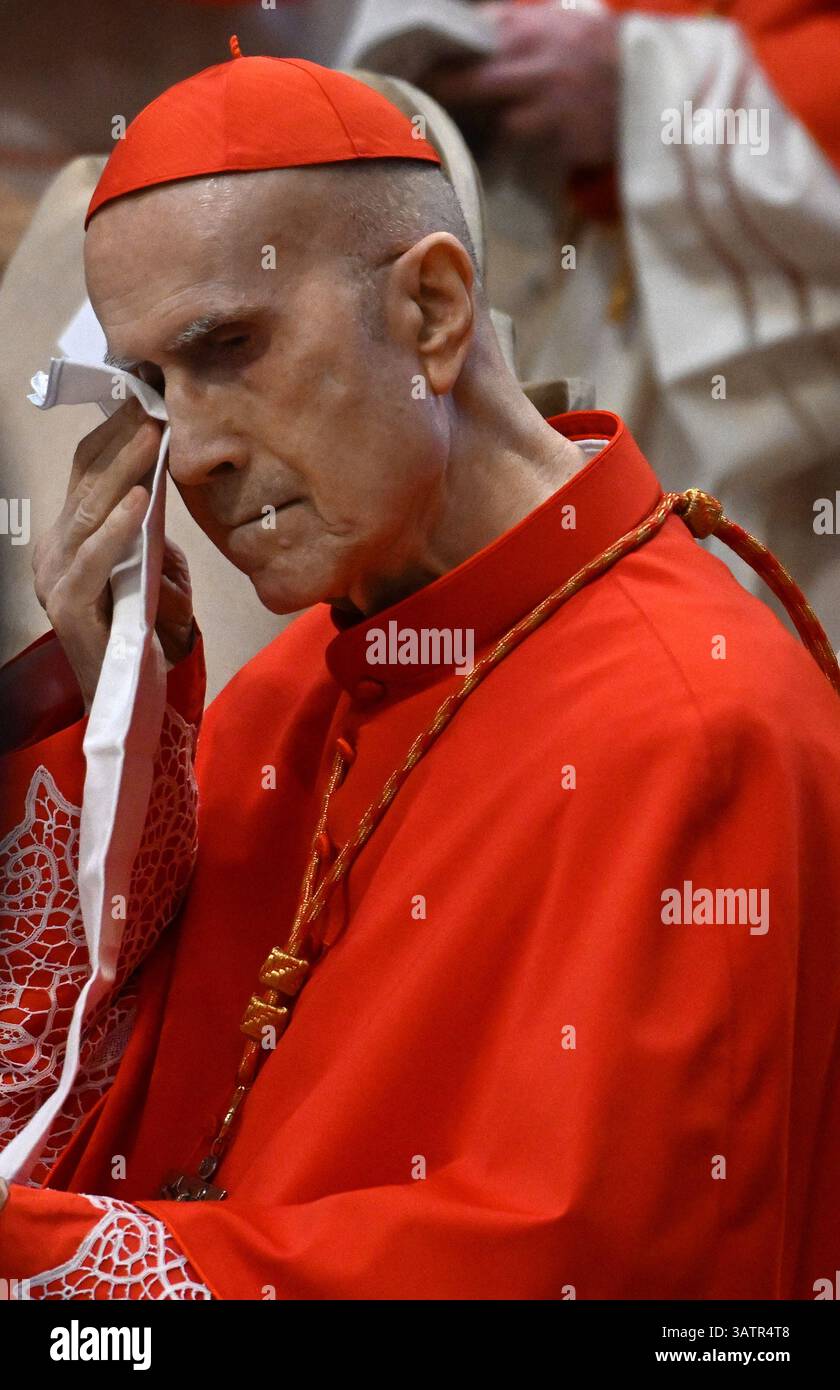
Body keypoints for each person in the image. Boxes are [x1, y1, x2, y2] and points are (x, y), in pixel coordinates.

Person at [1, 49, 839, 1301]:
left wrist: (63, 1274)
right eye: (154, 387)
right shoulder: (309, 677)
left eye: (230, 345)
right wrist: (123, 716)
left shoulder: (692, 727)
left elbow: (614, 1274)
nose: (197, 452)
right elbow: (94, 1095)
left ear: (435, 311)